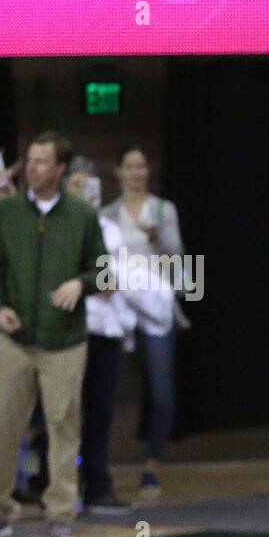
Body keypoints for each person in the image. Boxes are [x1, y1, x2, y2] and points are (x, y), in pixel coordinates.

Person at [0, 132, 107, 537]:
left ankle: (61, 515)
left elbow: (101, 272)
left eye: (43, 162)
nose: (32, 168)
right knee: (4, 425)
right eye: (29, 160)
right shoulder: (8, 212)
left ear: (61, 169)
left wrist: (79, 284)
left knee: (63, 427)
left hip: (64, 340)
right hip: (14, 338)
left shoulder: (82, 215)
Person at [102, 145, 186, 499]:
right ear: (118, 172)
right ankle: (97, 465)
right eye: (129, 167)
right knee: (104, 386)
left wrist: (157, 236)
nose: (136, 174)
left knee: (161, 390)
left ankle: (152, 461)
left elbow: (179, 256)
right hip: (118, 303)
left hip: (154, 303)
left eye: (141, 167)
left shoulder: (164, 209)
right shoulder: (106, 213)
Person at [66, 157, 134, 514]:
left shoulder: (110, 229)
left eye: (91, 186)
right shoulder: (59, 227)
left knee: (100, 413)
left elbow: (114, 279)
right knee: (64, 414)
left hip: (104, 331)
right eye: (77, 185)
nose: (86, 193)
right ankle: (58, 491)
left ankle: (97, 487)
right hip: (69, 333)